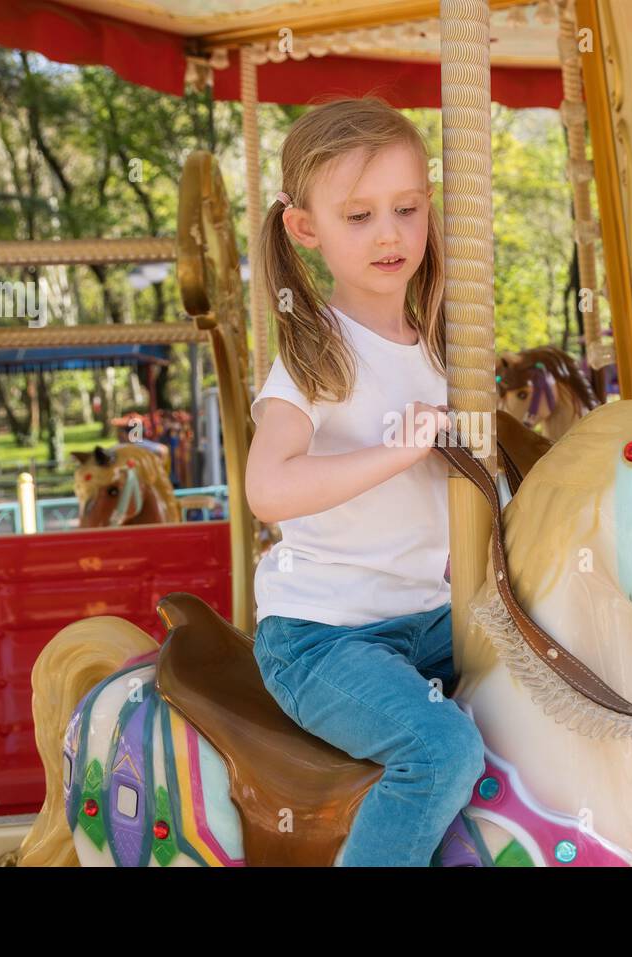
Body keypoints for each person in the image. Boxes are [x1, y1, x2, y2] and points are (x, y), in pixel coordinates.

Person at [245, 96, 484, 867]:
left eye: (406, 208)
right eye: (359, 216)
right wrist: (398, 451)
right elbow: (269, 489)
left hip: (427, 618)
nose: (389, 233)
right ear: (305, 228)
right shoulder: (317, 356)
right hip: (322, 637)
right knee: (441, 750)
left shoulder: (447, 349)